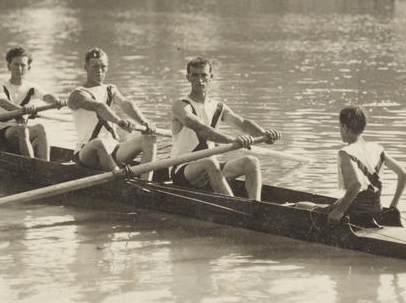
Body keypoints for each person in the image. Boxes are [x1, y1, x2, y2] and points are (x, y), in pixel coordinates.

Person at [167, 57, 279, 199]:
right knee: (210, 163)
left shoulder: (218, 107)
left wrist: (264, 134)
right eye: (195, 75)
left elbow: (243, 123)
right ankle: (235, 205)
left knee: (251, 162)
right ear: (188, 78)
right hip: (182, 170)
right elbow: (201, 129)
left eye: (204, 75)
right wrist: (232, 141)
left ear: (211, 77)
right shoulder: (180, 106)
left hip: (210, 169)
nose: (199, 80)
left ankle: (255, 205)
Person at [66, 48, 157, 173]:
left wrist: (145, 122)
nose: (99, 71)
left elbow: (126, 104)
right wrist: (119, 121)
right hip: (87, 153)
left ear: (107, 67)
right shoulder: (77, 94)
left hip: (113, 150)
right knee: (99, 143)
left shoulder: (110, 89)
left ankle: (144, 183)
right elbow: (99, 107)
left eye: (103, 67)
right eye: (95, 67)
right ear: (86, 67)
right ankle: (120, 178)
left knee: (149, 140)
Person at [323, 105, 406, 227]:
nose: (340, 130)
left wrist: (339, 211)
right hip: (377, 213)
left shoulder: (345, 152)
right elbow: (403, 174)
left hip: (355, 215)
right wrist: (393, 206)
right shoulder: (377, 148)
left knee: (301, 205)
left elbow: (356, 184)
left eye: (339, 127)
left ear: (344, 127)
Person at [0, 45, 60, 159]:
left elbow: (46, 96)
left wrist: (56, 100)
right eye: (16, 64)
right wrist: (22, 111)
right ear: (9, 66)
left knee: (40, 129)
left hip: (20, 132)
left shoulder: (32, 87)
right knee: (22, 129)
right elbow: (2, 102)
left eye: (23, 65)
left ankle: (45, 165)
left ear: (28, 67)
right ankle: (30, 165)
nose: (19, 69)